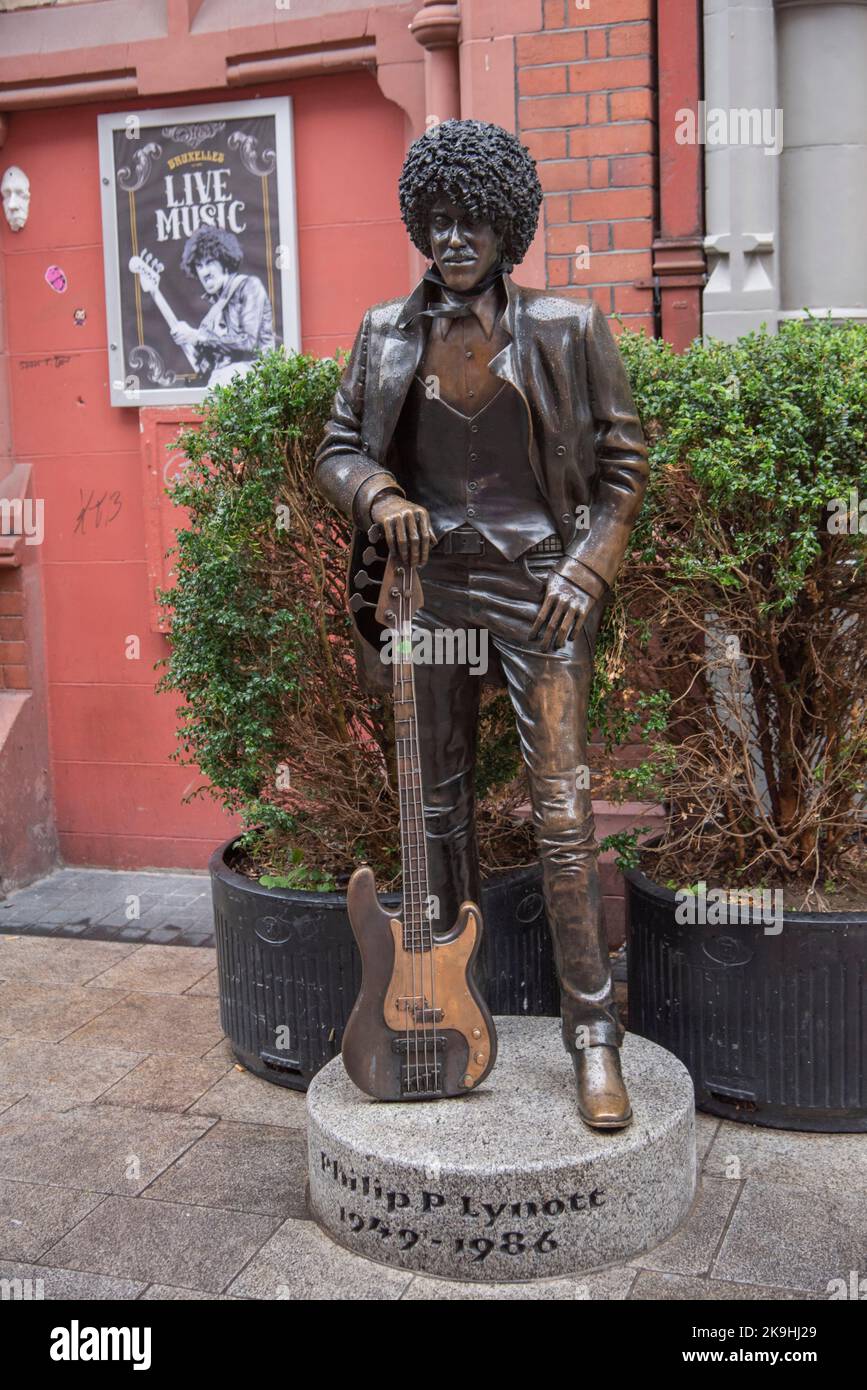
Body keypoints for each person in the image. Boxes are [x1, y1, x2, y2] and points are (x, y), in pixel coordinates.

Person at [315, 120, 648, 1130]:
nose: (455, 237)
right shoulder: (385, 334)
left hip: (539, 587)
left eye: (476, 221)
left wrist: (590, 566)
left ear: (510, 227)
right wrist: (377, 493)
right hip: (430, 592)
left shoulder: (566, 331)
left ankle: (593, 1037)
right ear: (422, 221)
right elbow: (337, 447)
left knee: (560, 814)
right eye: (440, 219)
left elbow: (625, 470)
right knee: (435, 811)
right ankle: (460, 1005)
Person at [171, 227, 275, 386]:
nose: (204, 272)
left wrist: (198, 337)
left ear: (224, 260)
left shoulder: (249, 286)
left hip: (259, 383)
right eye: (199, 265)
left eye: (210, 262)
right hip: (227, 387)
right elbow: (206, 362)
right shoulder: (215, 308)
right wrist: (188, 340)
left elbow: (248, 343)